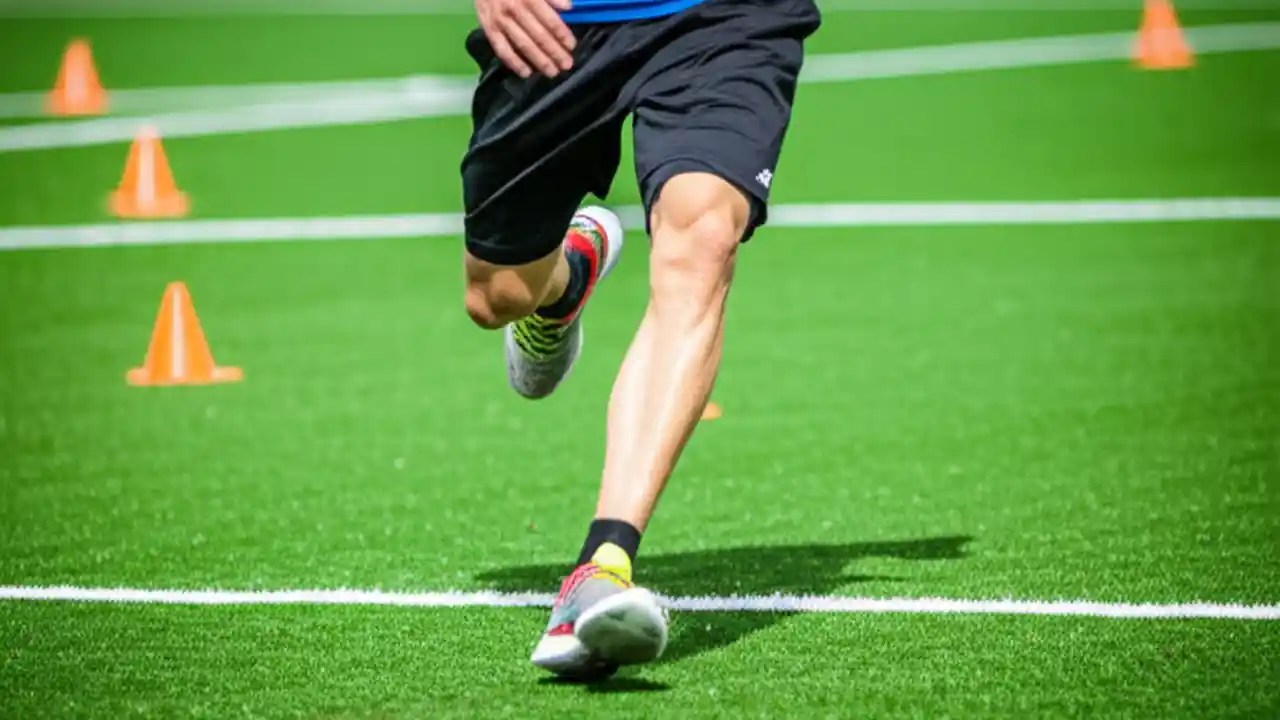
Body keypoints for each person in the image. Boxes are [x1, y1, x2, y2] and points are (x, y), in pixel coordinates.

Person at [460, 0, 821, 679]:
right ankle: (563, 284)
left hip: (726, 18)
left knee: (702, 237)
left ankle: (603, 566)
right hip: (559, 19)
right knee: (496, 294)